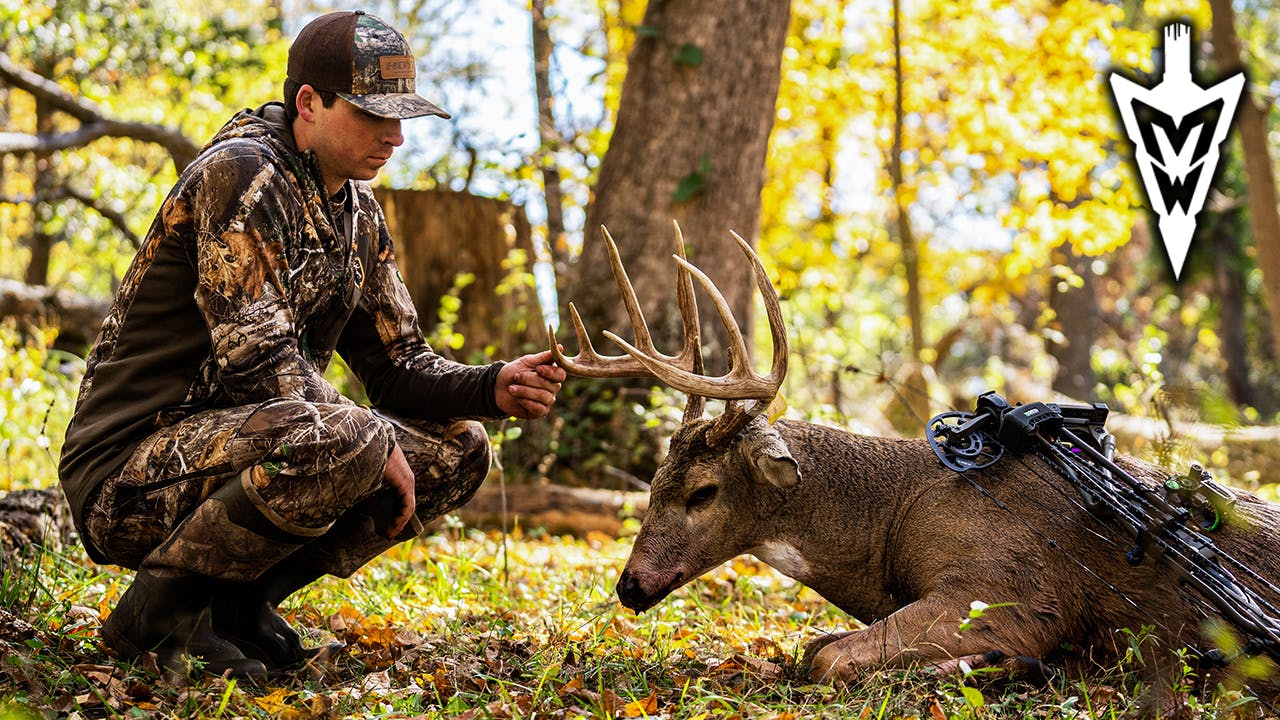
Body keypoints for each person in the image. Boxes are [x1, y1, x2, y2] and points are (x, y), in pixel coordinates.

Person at [58, 10, 566, 681]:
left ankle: (236, 606)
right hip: (126, 473)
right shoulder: (243, 174)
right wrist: (370, 439)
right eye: (373, 115)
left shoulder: (356, 211)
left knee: (459, 449)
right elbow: (256, 361)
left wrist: (491, 385)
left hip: (240, 445)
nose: (396, 137)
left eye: (402, 118)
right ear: (308, 104)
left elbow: (397, 363)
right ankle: (157, 624)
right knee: (351, 437)